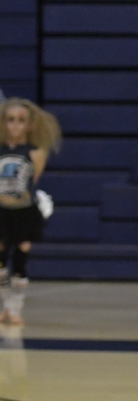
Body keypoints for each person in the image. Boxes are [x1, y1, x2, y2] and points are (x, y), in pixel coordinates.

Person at [0, 98, 61, 326]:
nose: (15, 126)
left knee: (21, 255)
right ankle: (5, 305)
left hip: (24, 211)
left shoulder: (36, 152)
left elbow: (30, 182)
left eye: (21, 121)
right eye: (10, 120)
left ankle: (16, 308)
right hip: (1, 211)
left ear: (30, 125)